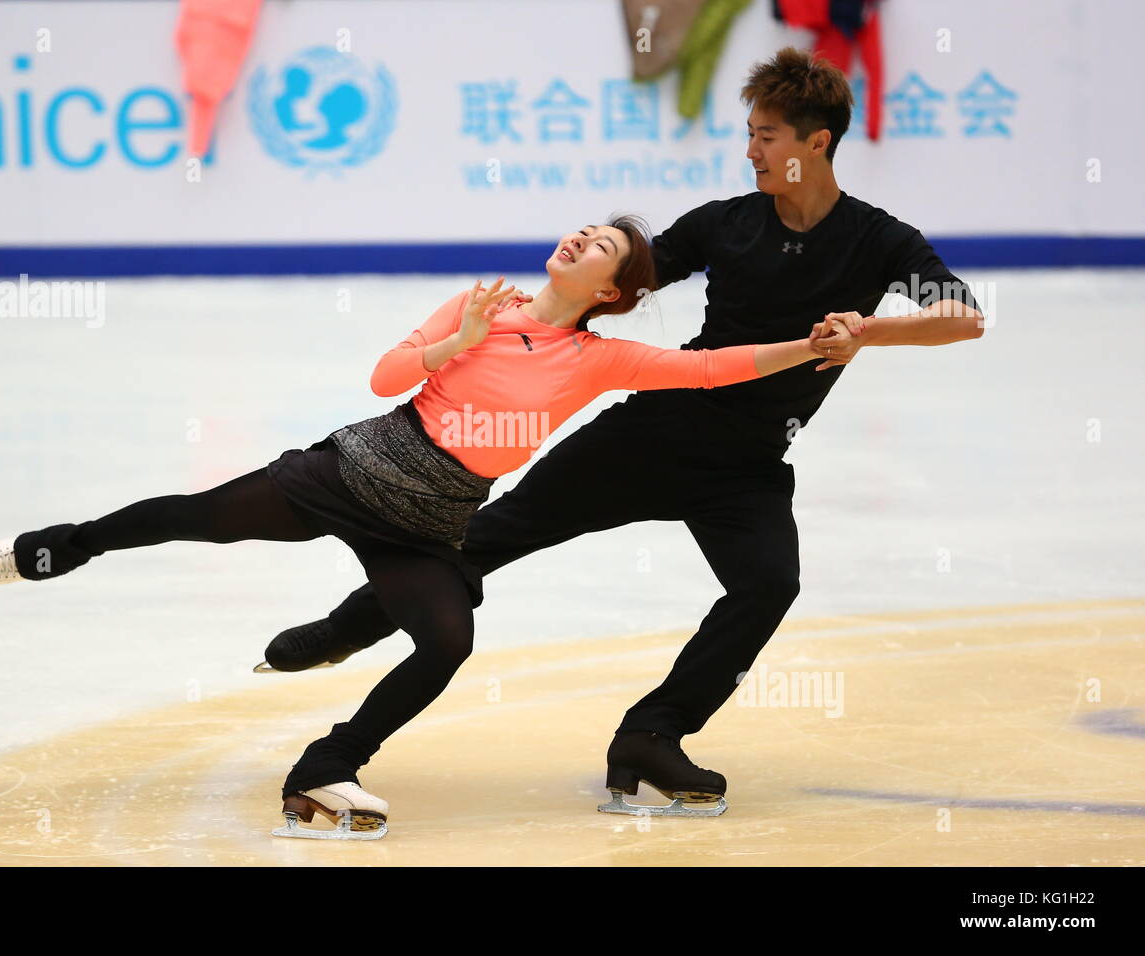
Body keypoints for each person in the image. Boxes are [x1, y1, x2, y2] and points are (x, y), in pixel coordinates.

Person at [263, 46, 988, 818]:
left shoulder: (877, 240)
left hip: (746, 465)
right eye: (749, 133)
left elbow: (965, 318)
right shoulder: (725, 223)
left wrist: (867, 331)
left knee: (768, 584)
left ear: (818, 143)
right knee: (485, 538)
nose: (751, 151)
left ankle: (652, 733)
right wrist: (527, 332)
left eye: (767, 136)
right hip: (651, 433)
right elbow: (621, 279)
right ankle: (345, 627)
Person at [0, 213, 848, 839]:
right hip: (349, 473)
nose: (579, 239)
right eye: (583, 229)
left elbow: (714, 369)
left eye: (601, 247)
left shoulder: (600, 359)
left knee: (444, 642)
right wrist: (453, 342)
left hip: (427, 524)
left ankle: (323, 770)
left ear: (611, 290)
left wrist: (812, 346)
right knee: (196, 519)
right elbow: (388, 378)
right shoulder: (483, 306)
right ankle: (57, 548)